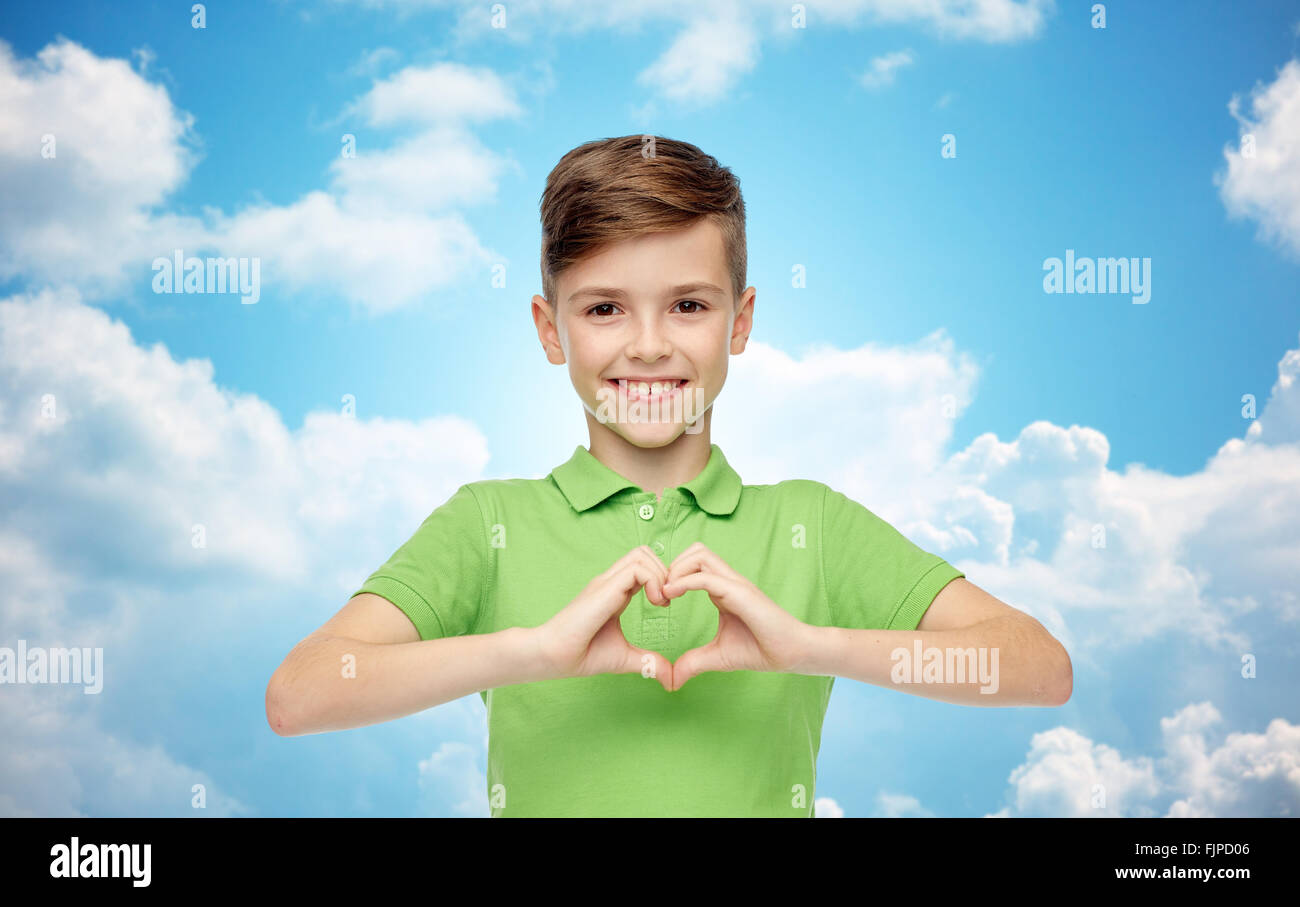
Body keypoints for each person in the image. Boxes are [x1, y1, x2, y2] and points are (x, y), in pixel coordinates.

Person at [265, 134, 1072, 817]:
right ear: (551, 330)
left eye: (688, 305)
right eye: (604, 308)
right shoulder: (488, 524)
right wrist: (531, 650)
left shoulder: (812, 525)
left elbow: (1038, 666)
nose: (648, 345)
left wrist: (813, 644)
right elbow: (299, 692)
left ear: (741, 321)